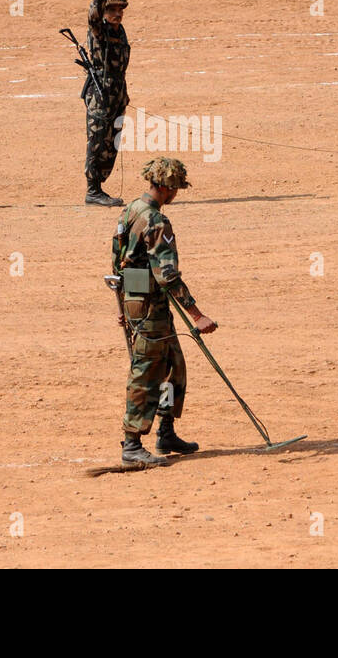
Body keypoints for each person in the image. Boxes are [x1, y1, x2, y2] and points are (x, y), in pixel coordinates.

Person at [111, 157, 217, 467]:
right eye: (176, 189)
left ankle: (166, 432)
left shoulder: (129, 211)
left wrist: (125, 305)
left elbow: (117, 263)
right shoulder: (157, 221)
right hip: (150, 308)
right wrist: (197, 315)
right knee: (146, 372)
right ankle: (132, 443)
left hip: (139, 303)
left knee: (174, 367)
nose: (176, 195)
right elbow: (167, 274)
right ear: (167, 188)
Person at [82, 0, 131, 206]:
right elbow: (92, 11)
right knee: (97, 141)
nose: (118, 13)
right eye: (113, 9)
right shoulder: (98, 30)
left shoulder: (119, 31)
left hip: (117, 95)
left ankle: (99, 187)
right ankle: (93, 190)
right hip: (100, 96)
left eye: (121, 9)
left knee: (112, 143)